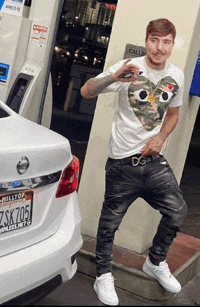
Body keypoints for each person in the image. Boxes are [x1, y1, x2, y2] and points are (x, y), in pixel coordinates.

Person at [80, 18, 187, 306]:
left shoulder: (176, 74)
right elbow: (86, 91)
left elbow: (174, 114)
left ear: (172, 44)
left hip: (152, 161)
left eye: (166, 42)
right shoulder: (129, 68)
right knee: (108, 225)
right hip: (121, 164)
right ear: (147, 40)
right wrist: (114, 78)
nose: (159, 47)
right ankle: (103, 275)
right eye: (154, 39)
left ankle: (155, 261)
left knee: (177, 211)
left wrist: (161, 136)